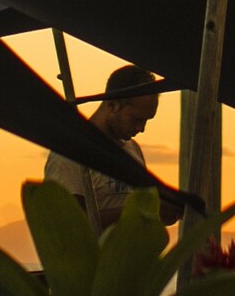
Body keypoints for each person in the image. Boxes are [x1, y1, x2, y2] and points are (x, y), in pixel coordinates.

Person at [44, 65, 159, 235]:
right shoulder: (70, 151)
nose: (141, 128)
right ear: (112, 105)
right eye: (136, 119)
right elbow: (69, 225)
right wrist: (140, 212)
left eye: (147, 120)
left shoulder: (133, 150)